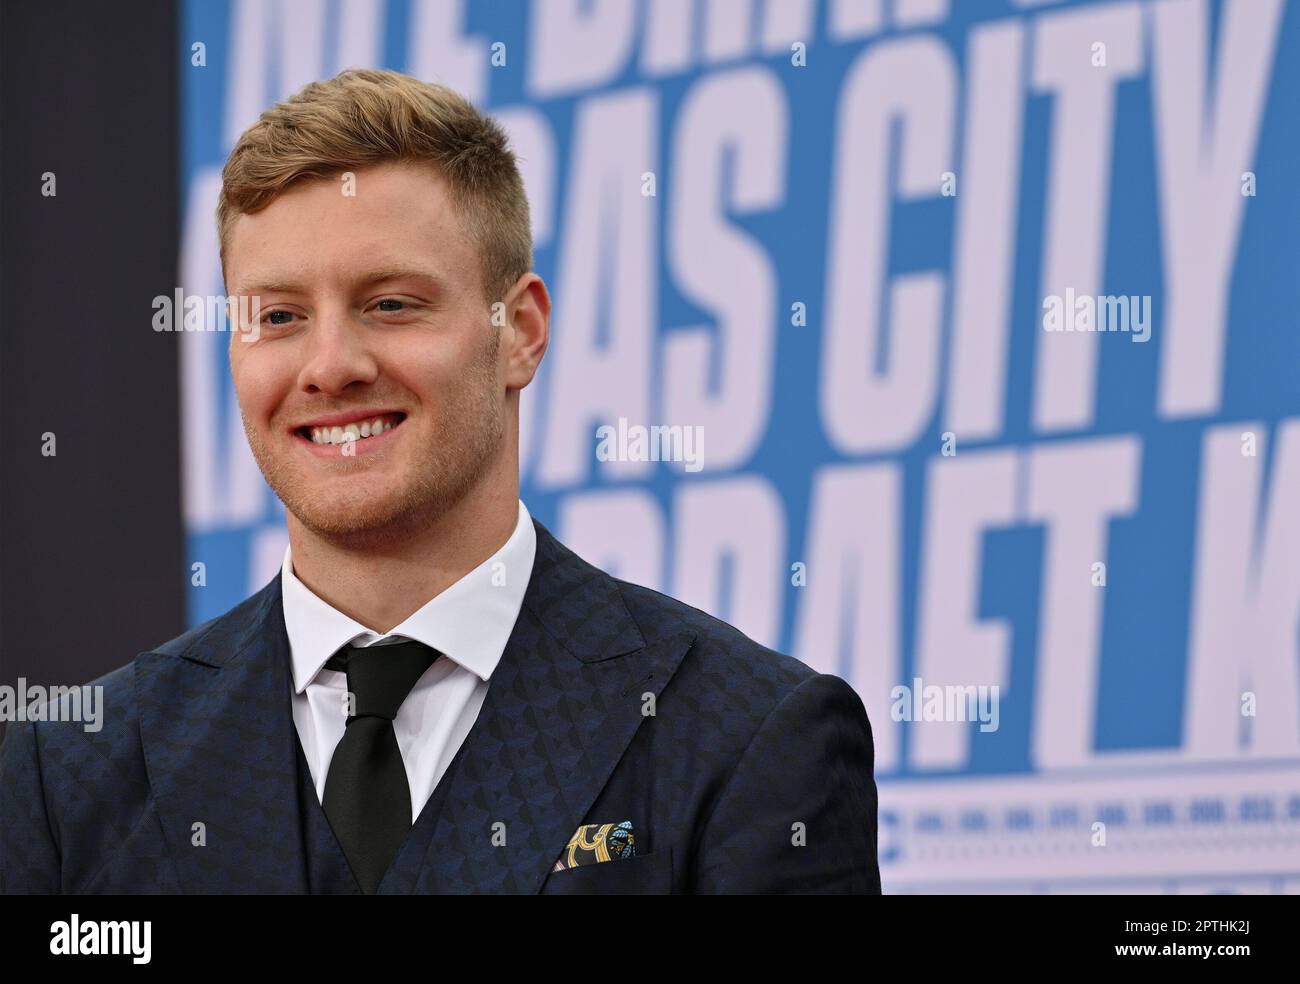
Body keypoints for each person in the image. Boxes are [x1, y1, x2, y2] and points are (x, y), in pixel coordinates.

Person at [0, 68, 881, 895]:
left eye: (391, 303)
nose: (330, 366)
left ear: (522, 331)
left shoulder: (746, 740)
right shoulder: (72, 767)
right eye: (278, 316)